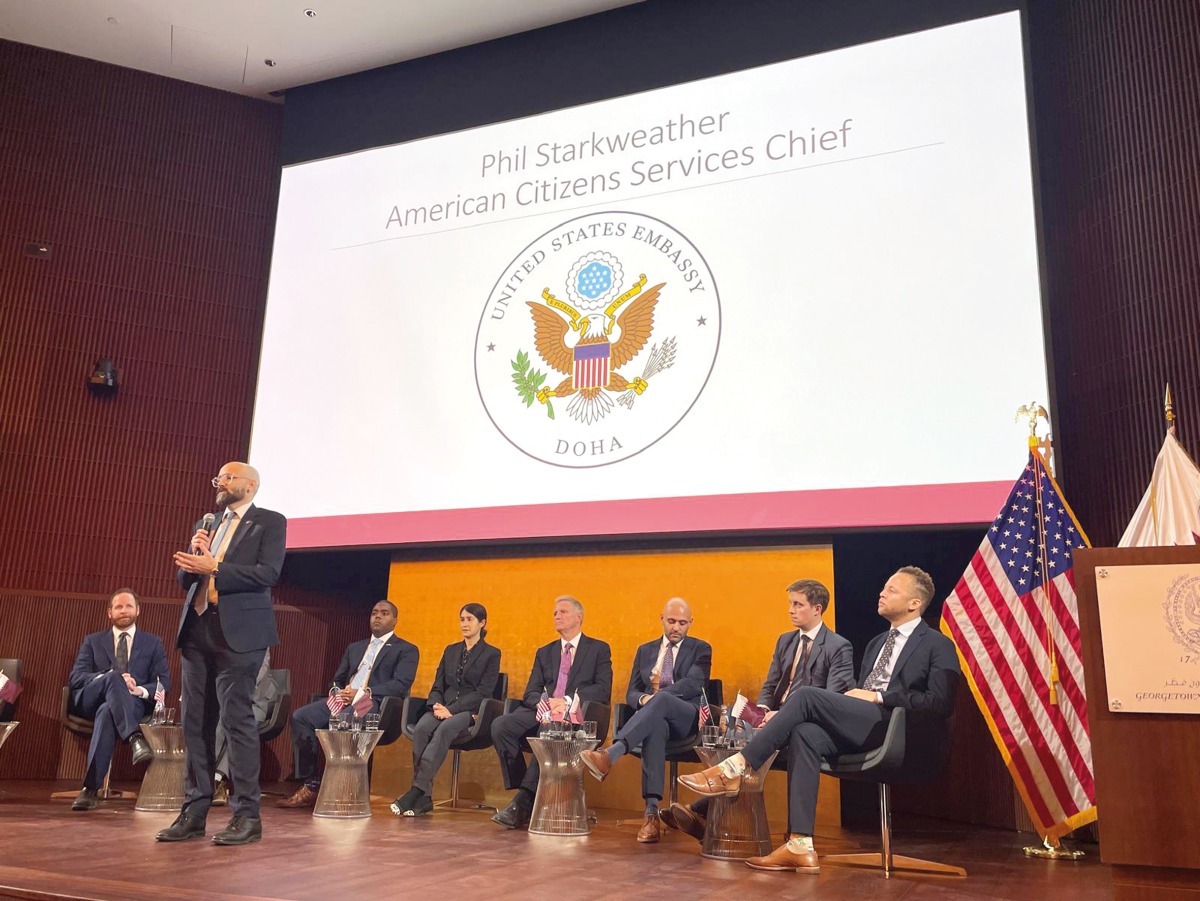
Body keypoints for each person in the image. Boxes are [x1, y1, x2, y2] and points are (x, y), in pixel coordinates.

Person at [678, 566, 961, 873]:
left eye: (892, 589)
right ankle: (800, 844)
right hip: (864, 726)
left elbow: (941, 702)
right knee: (805, 732)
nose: (882, 592)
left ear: (914, 604)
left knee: (807, 696)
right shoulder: (876, 644)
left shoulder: (938, 644)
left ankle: (734, 768)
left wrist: (880, 697)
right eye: (884, 587)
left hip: (899, 732)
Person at [658, 579, 853, 841]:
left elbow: (831, 699)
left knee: (757, 746)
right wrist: (759, 711)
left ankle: (701, 809)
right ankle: (706, 812)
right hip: (774, 721)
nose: (791, 610)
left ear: (817, 609)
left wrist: (780, 717)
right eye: (790, 604)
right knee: (735, 729)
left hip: (808, 723)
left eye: (798, 604)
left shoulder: (838, 646)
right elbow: (771, 685)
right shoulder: (785, 641)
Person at [158, 462, 285, 846]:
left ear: (250, 485)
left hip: (240, 635)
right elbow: (187, 580)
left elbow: (269, 574)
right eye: (218, 478)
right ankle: (194, 812)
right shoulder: (208, 521)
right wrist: (196, 556)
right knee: (195, 724)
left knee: (236, 722)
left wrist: (218, 566)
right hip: (197, 629)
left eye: (228, 478)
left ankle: (246, 817)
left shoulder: (269, 522)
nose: (219, 483)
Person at [579, 597, 712, 843]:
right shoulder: (646, 650)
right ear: (661, 618)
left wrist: (657, 699)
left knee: (660, 702)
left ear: (690, 623)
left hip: (686, 717)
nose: (676, 628)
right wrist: (643, 701)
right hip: (653, 718)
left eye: (683, 623)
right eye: (671, 621)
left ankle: (611, 754)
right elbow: (631, 691)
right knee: (656, 724)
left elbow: (693, 683)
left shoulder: (701, 649)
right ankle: (651, 814)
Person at [278, 600, 418, 808]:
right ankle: (311, 783)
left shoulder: (405, 649)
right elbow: (337, 678)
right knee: (301, 716)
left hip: (371, 701)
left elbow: (401, 684)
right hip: (343, 699)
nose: (377, 616)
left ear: (395, 620)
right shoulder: (355, 647)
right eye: (374, 612)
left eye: (384, 613)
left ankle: (343, 786)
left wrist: (361, 692)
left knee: (347, 717)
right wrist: (338, 692)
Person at [491, 595, 612, 829]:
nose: (557, 616)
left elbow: (602, 689)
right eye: (555, 613)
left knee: (551, 727)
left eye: (563, 612)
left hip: (576, 715)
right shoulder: (544, 652)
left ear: (579, 617)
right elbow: (531, 692)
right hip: (544, 711)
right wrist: (545, 703)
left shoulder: (598, 649)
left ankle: (523, 802)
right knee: (500, 726)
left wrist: (566, 701)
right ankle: (526, 792)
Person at [390, 603, 500, 817]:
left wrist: (452, 710)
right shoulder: (450, 650)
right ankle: (425, 797)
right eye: (462, 619)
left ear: (482, 623)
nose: (465, 624)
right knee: (422, 729)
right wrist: (437, 705)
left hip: (470, 713)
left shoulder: (492, 654)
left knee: (444, 730)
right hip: (443, 707)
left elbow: (484, 692)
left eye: (470, 619)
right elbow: (438, 685)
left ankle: (416, 790)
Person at [68, 589, 169, 811]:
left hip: (131, 702)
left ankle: (90, 789)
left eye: (129, 606)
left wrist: (138, 689)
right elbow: (76, 677)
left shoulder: (152, 643)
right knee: (114, 676)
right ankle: (134, 738)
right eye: (119, 607)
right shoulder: (93, 641)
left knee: (107, 712)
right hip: (91, 699)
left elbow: (163, 683)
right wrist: (108, 677)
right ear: (109, 613)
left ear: (138, 610)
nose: (124, 610)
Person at [212, 648, 276, 806]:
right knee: (219, 725)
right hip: (230, 700)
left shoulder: (260, 641)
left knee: (238, 727)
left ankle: (218, 779)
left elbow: (259, 672)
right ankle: (207, 777)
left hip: (256, 702)